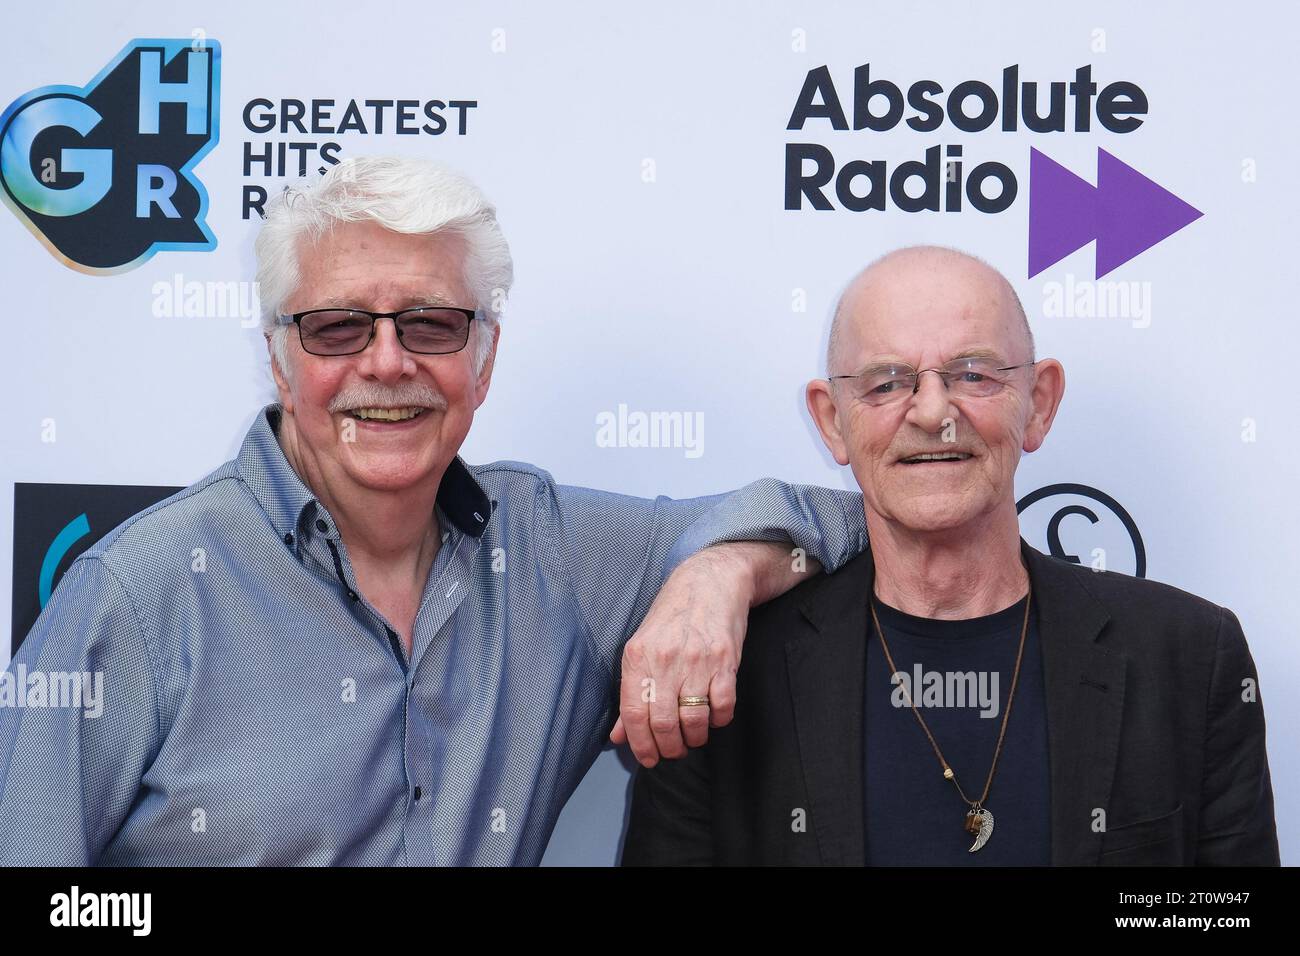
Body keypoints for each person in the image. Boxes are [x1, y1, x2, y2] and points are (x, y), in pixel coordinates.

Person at [0, 157, 868, 865]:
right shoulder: (141, 592)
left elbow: (850, 519)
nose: (386, 363)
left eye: (430, 325)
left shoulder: (555, 551)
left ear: (483, 363)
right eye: (338, 327)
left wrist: (719, 570)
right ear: (278, 361)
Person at [622, 246, 1279, 866]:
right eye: (886, 383)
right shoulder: (719, 671)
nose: (933, 411)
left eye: (973, 374)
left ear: (1038, 404)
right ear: (831, 420)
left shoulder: (1189, 656)